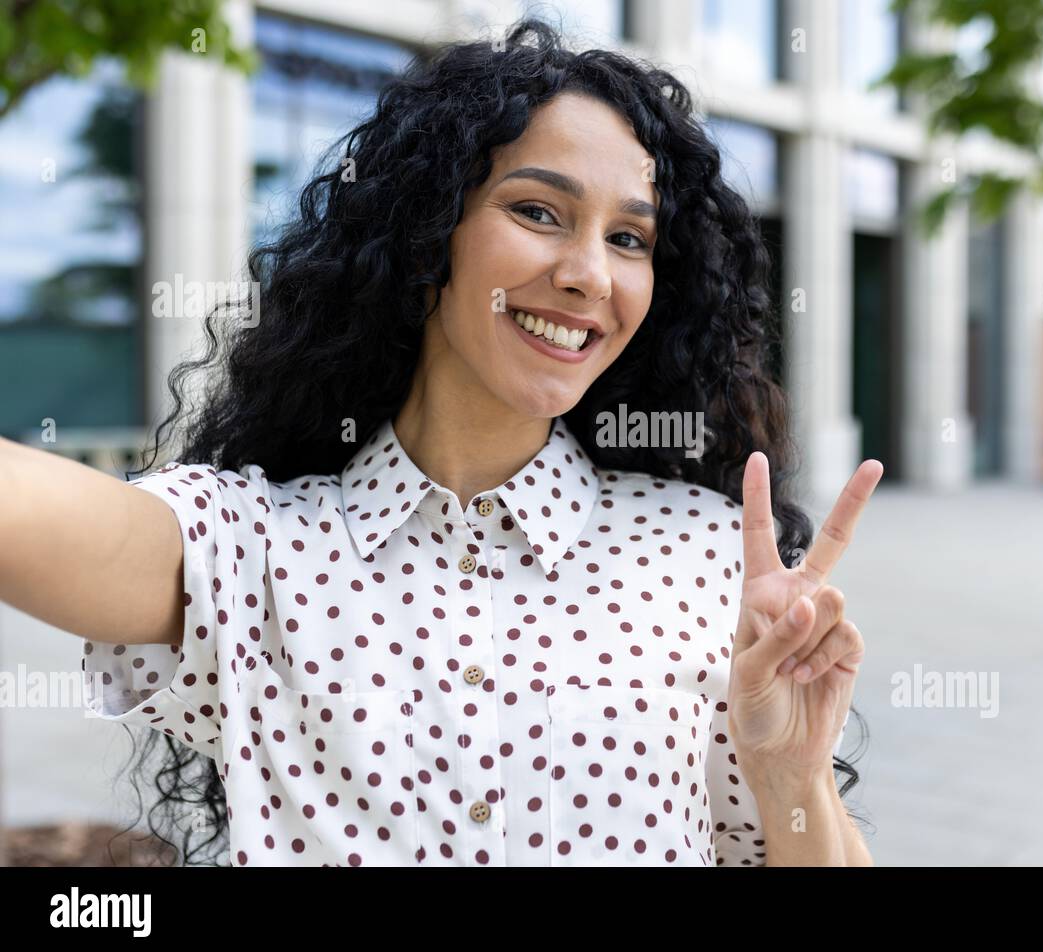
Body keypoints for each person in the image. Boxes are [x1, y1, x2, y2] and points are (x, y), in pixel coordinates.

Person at [0, 17, 881, 866]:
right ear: (428, 234)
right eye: (538, 211)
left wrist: (789, 772)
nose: (588, 274)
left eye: (628, 238)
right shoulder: (257, 548)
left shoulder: (705, 555)